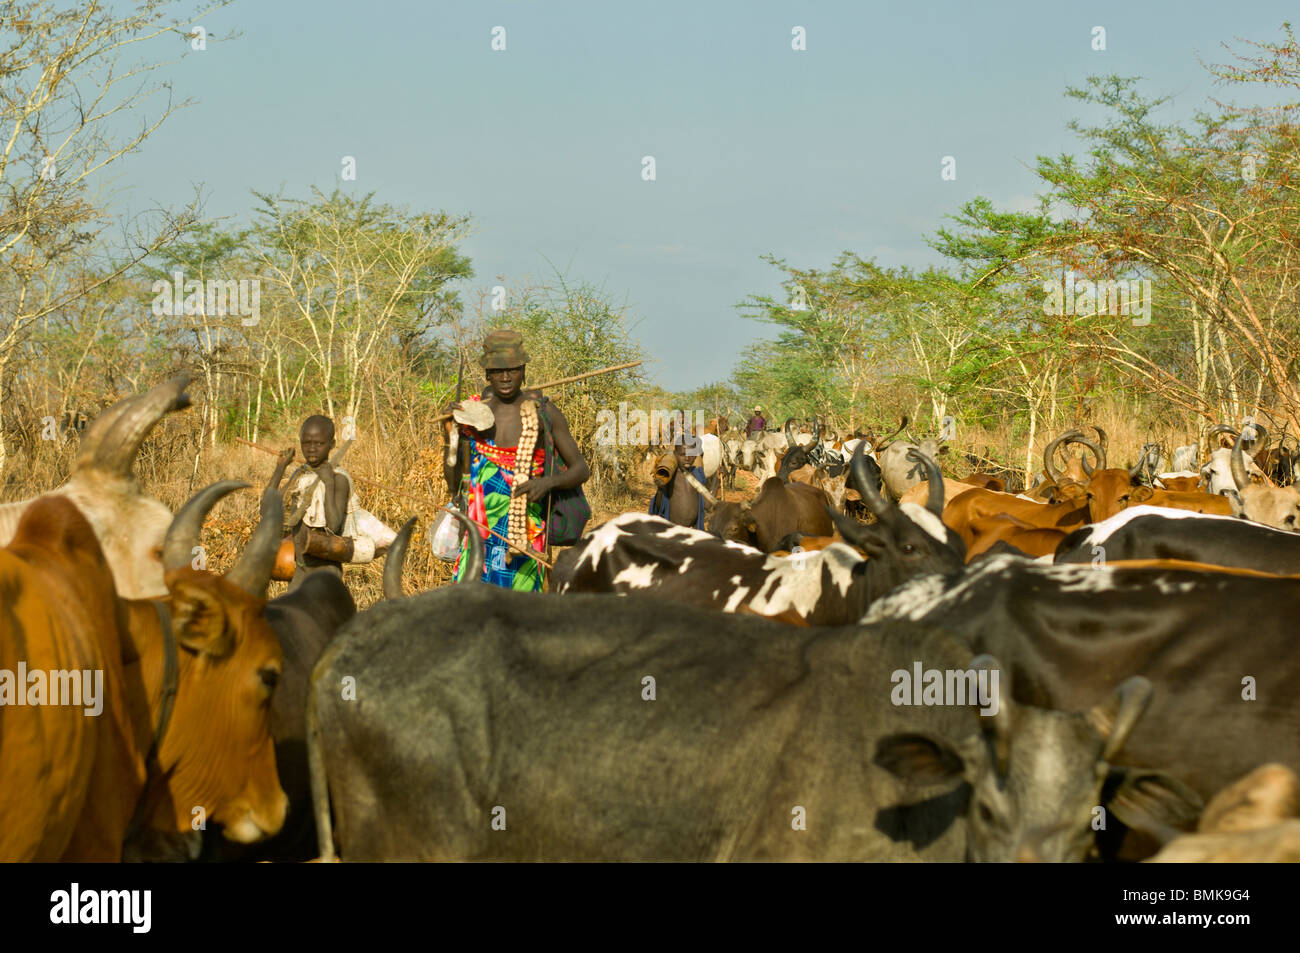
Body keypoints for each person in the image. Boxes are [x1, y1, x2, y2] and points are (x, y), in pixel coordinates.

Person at [444, 330, 590, 591]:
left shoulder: (544, 413)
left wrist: (547, 484)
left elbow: (581, 469)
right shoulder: (473, 415)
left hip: (524, 538)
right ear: (487, 373)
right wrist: (449, 436)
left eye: (512, 369)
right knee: (471, 617)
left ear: (523, 370)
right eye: (498, 371)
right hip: (478, 535)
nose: (505, 377)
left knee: (522, 616)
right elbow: (454, 484)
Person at [268, 414, 389, 591]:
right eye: (306, 443)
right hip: (300, 571)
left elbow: (333, 526)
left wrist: (328, 483)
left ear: (331, 445)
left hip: (326, 576)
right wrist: (280, 468)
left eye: (319, 443)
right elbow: (267, 509)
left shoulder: (338, 479)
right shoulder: (301, 476)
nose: (311, 449)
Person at [648, 435, 708, 530]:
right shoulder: (671, 476)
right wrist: (660, 488)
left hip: (693, 529)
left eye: (691, 454)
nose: (687, 458)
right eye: (683, 454)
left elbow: (703, 500)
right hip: (673, 530)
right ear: (675, 454)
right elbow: (659, 506)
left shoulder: (698, 474)